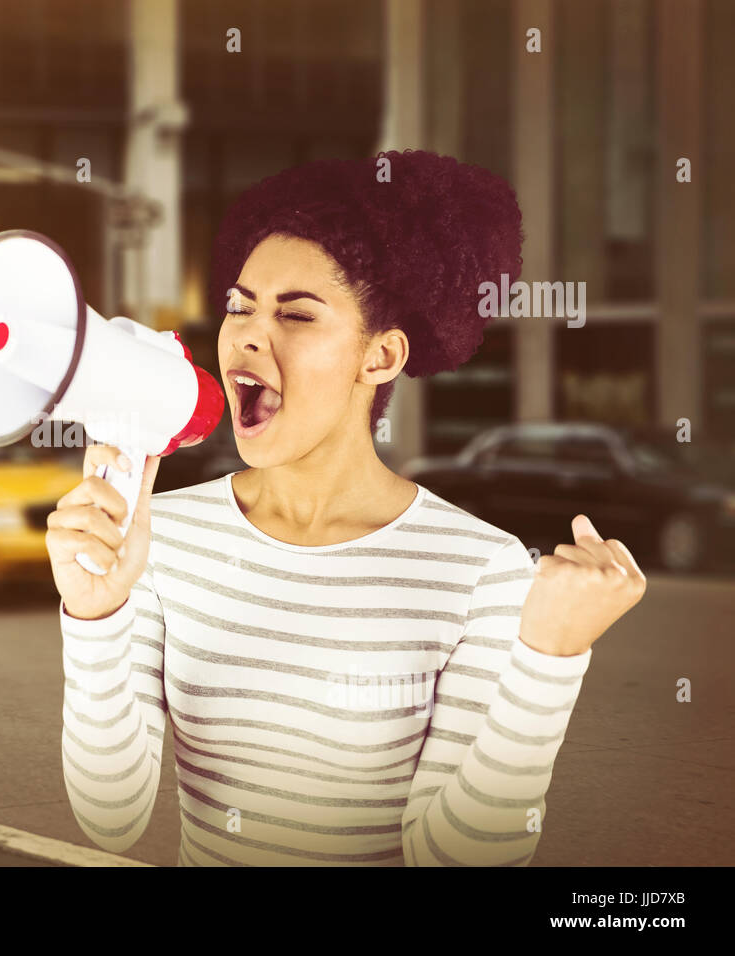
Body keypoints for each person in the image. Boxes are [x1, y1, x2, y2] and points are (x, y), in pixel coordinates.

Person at [45, 150, 648, 867]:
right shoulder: (158, 536)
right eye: (240, 305)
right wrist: (94, 617)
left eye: (296, 313)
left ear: (381, 357)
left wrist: (549, 658)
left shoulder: (479, 568)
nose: (246, 334)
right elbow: (111, 818)